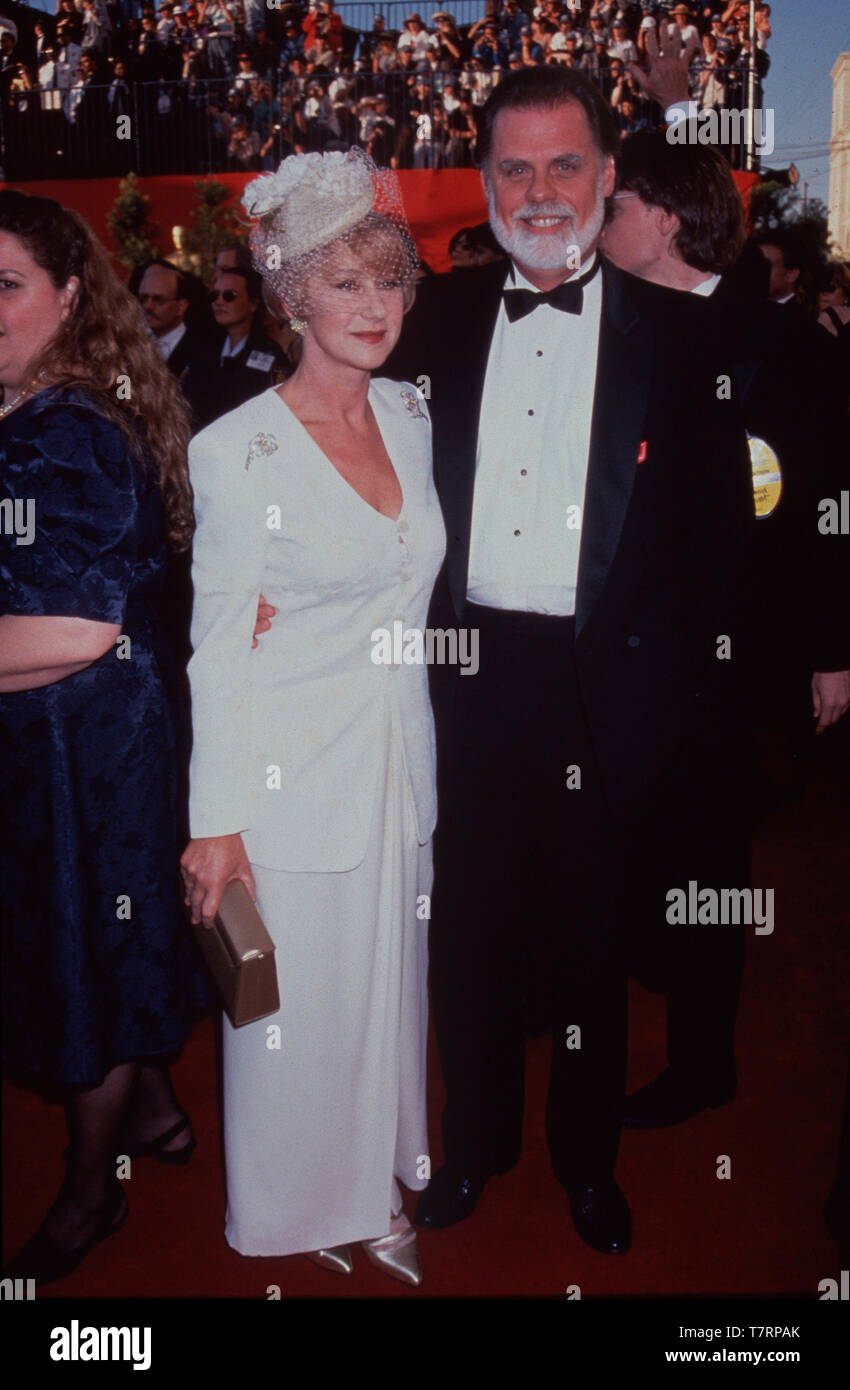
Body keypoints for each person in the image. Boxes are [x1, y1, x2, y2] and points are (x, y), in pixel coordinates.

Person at [381, 63, 785, 1256]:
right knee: (465, 932)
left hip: (607, 680)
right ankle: (473, 1150)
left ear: (608, 180)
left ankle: (584, 1162)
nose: (540, 189)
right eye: (515, 166)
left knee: (593, 946)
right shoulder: (434, 320)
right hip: (461, 676)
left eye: (566, 165)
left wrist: (683, 702)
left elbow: (721, 541)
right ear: (487, 182)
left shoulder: (684, 335)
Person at [180, 150, 446, 1284]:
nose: (373, 306)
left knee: (390, 990)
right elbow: (215, 648)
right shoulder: (235, 450)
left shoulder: (411, 412)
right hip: (286, 776)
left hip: (400, 763)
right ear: (290, 295)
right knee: (291, 1017)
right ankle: (294, 1208)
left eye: (388, 281)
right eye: (344, 283)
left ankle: (379, 1177)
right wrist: (216, 822)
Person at [599, 128, 850, 1128]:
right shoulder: (608, 331)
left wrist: (833, 649)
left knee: (708, 862)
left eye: (614, 205)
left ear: (662, 219)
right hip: (618, 659)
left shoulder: (784, 345)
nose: (595, 220)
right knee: (622, 851)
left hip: (732, 665)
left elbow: (830, 500)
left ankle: (703, 1060)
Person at [0, 190, 209, 1286]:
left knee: (79, 955)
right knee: (102, 939)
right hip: (79, 733)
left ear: (69, 293)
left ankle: (91, 1197)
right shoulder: (47, 405)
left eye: (6, 283)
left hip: (81, 746)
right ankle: (160, 1110)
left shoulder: (67, 430)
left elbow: (79, 625)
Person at [183, 263, 289, 429]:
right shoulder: (202, 351)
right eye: (214, 296)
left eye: (229, 296)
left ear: (253, 304)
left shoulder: (270, 354)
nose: (219, 302)